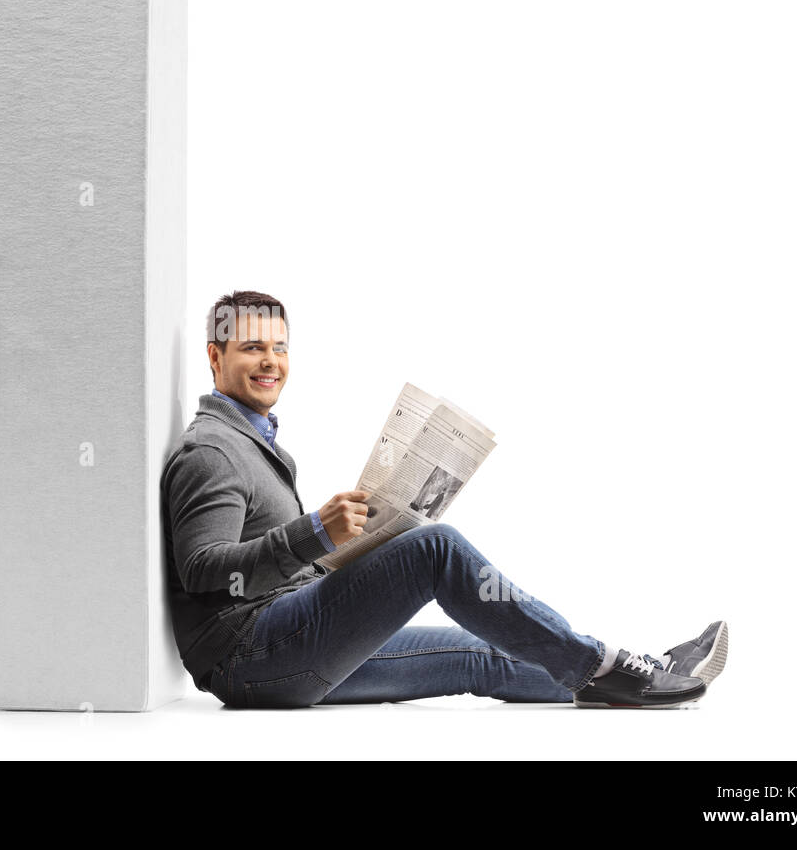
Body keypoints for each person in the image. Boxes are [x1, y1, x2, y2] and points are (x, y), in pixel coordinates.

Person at [160, 289, 729, 708]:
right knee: (437, 549)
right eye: (252, 348)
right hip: (252, 658)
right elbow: (204, 572)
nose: (270, 362)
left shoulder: (251, 442)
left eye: (280, 348)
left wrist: (357, 545)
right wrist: (314, 533)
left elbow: (264, 562)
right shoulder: (212, 451)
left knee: (479, 651)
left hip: (283, 646)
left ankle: (645, 672)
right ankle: (605, 667)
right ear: (215, 358)